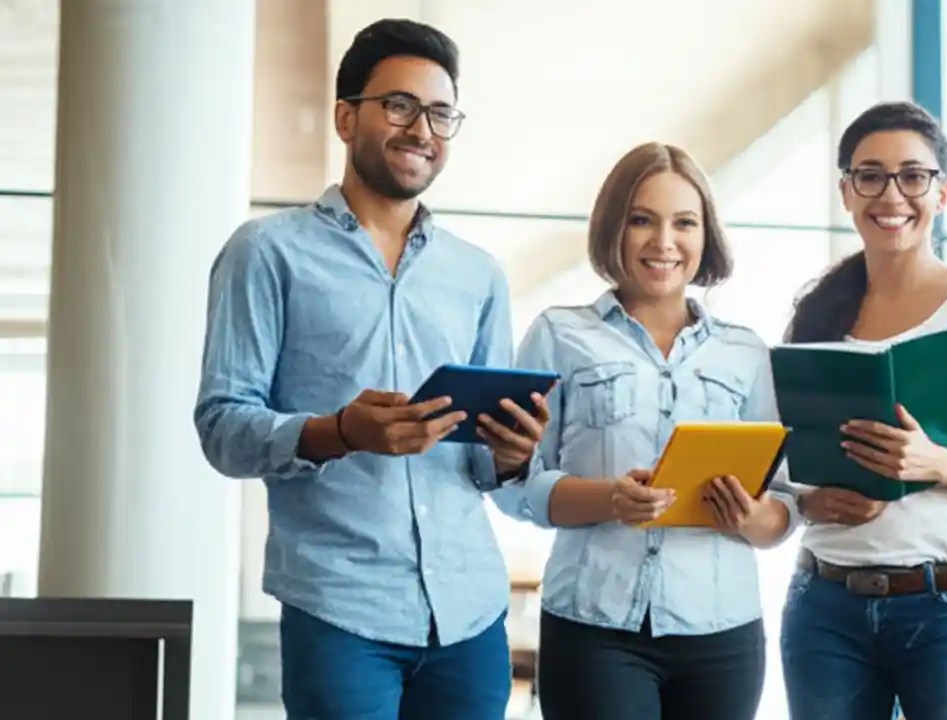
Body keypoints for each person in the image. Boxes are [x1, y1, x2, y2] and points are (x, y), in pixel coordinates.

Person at [193, 19, 550, 720]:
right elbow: (221, 427)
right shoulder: (266, 252)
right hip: (339, 605)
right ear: (345, 116)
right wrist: (339, 432)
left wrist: (511, 455)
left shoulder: (476, 275)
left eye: (441, 112)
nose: (422, 128)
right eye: (399, 105)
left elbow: (482, 466)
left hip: (469, 612)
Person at [511, 142, 802, 720]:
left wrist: (751, 518)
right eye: (642, 219)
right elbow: (515, 483)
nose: (663, 242)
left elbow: (786, 508)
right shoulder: (558, 335)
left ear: (705, 236)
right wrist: (610, 498)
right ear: (613, 230)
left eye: (684, 223)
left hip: (723, 631)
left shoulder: (746, 353)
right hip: (594, 626)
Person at [778, 101, 947, 720]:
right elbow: (784, 471)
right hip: (826, 605)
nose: (891, 193)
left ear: (941, 192)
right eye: (869, 175)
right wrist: (810, 501)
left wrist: (933, 461)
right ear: (846, 192)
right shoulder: (817, 319)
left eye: (913, 175)